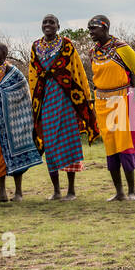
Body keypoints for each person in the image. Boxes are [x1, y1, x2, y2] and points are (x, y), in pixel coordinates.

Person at [29, 15, 98, 200]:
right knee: (50, 145)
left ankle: (71, 190)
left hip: (66, 98)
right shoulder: (35, 46)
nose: (47, 25)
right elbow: (33, 76)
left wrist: (86, 96)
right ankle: (56, 191)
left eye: (51, 22)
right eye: (44, 22)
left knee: (69, 142)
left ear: (58, 26)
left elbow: (77, 70)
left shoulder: (67, 44)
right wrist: (34, 101)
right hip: (46, 100)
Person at [88, 16, 135, 200]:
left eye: (94, 28)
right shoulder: (93, 52)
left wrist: (133, 101)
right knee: (110, 146)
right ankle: (119, 192)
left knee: (125, 144)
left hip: (123, 98)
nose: (90, 32)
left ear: (105, 28)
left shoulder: (122, 49)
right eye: (89, 28)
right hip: (102, 101)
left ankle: (132, 191)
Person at [0, 42, 43, 202]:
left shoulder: (14, 73)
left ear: (3, 53)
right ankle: (2, 193)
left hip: (12, 121)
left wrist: (0, 93)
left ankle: (18, 192)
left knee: (15, 156)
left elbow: (23, 94)